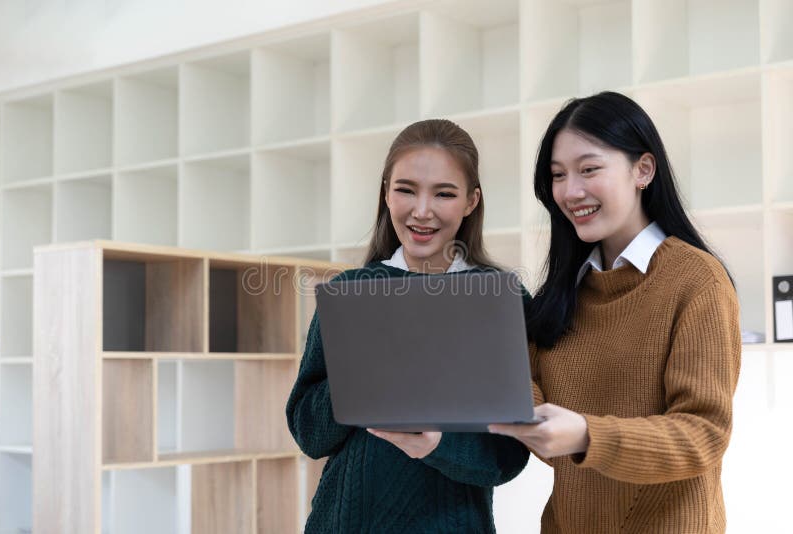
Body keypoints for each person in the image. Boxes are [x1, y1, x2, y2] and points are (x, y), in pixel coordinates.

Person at [489, 91, 741, 533]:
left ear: (642, 170)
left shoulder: (697, 282)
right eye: (558, 175)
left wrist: (589, 435)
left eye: (589, 169)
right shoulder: (563, 292)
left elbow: (704, 434)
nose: (570, 191)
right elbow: (535, 410)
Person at [286, 119, 530, 533]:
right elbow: (309, 433)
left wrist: (439, 445)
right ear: (385, 194)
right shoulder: (352, 292)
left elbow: (509, 455)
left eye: (444, 194)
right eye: (405, 190)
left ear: (471, 201)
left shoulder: (498, 299)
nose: (421, 210)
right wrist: (362, 376)